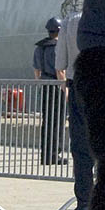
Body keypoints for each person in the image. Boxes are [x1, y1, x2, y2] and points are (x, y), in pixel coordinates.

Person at [58, 8, 93, 210]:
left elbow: (60, 62)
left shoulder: (69, 21)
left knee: (81, 150)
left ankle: (84, 207)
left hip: (77, 84)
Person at [33, 17, 66, 165]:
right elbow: (60, 70)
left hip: (45, 85)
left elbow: (36, 70)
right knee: (57, 121)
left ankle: (45, 154)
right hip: (57, 85)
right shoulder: (59, 47)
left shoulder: (40, 47)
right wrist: (65, 89)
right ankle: (54, 154)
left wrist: (41, 82)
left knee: (47, 121)